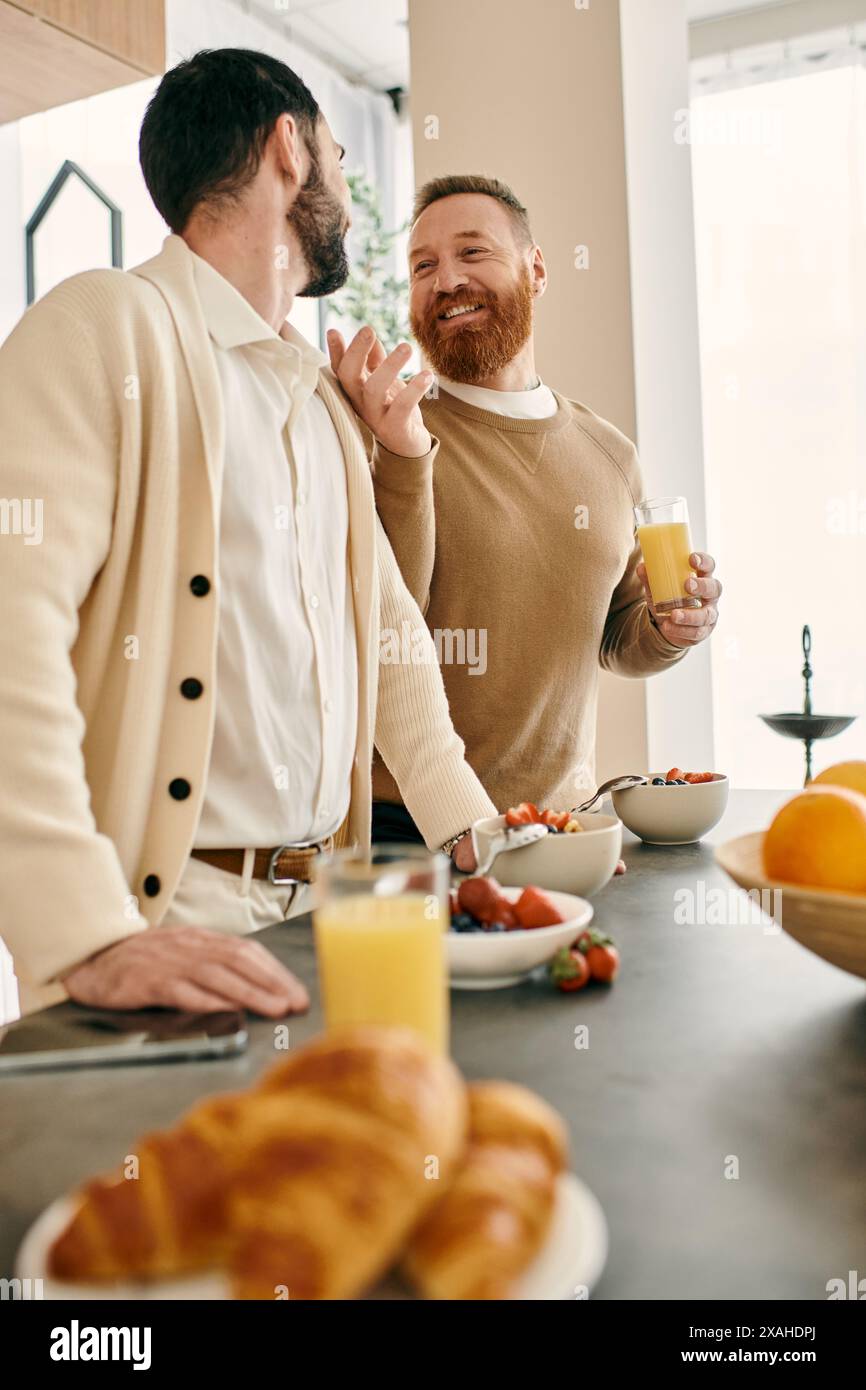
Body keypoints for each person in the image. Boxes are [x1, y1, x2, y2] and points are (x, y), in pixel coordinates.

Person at [0, 52, 498, 1020]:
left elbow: (390, 651)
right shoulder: (100, 328)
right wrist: (86, 934)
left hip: (326, 920)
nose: (348, 193)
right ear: (288, 148)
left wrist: (483, 842)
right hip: (167, 929)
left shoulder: (317, 401)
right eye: (339, 154)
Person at [329, 175, 722, 844]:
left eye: (472, 253)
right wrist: (403, 460)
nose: (445, 279)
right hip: (407, 829)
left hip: (563, 825)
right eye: (423, 266)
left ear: (535, 269)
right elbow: (388, 623)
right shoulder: (383, 434)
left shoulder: (609, 453)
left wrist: (672, 627)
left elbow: (618, 638)